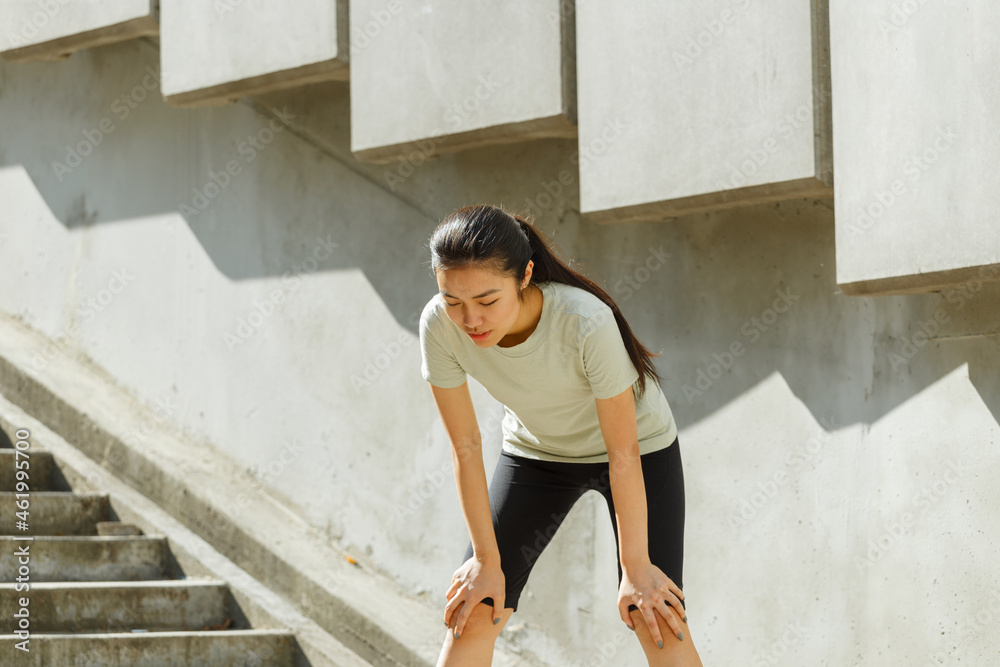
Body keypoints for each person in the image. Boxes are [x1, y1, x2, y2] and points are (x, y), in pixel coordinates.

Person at [419, 204, 704, 666]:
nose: (471, 320)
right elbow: (466, 448)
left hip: (639, 452)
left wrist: (636, 568)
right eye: (454, 301)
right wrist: (486, 564)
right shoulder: (438, 326)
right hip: (536, 453)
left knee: (655, 616)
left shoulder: (584, 321)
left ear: (525, 275)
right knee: (474, 610)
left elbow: (623, 452)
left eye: (488, 301)